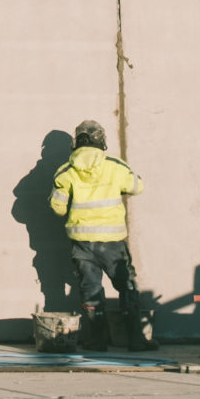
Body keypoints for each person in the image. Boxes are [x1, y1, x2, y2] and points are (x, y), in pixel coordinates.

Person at [49, 119, 148, 349]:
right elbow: (137, 187)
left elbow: (57, 208)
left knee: (91, 291)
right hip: (113, 244)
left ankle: (98, 340)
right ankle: (135, 339)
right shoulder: (115, 165)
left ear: (76, 142)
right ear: (102, 141)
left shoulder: (65, 172)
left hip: (83, 245)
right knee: (127, 286)